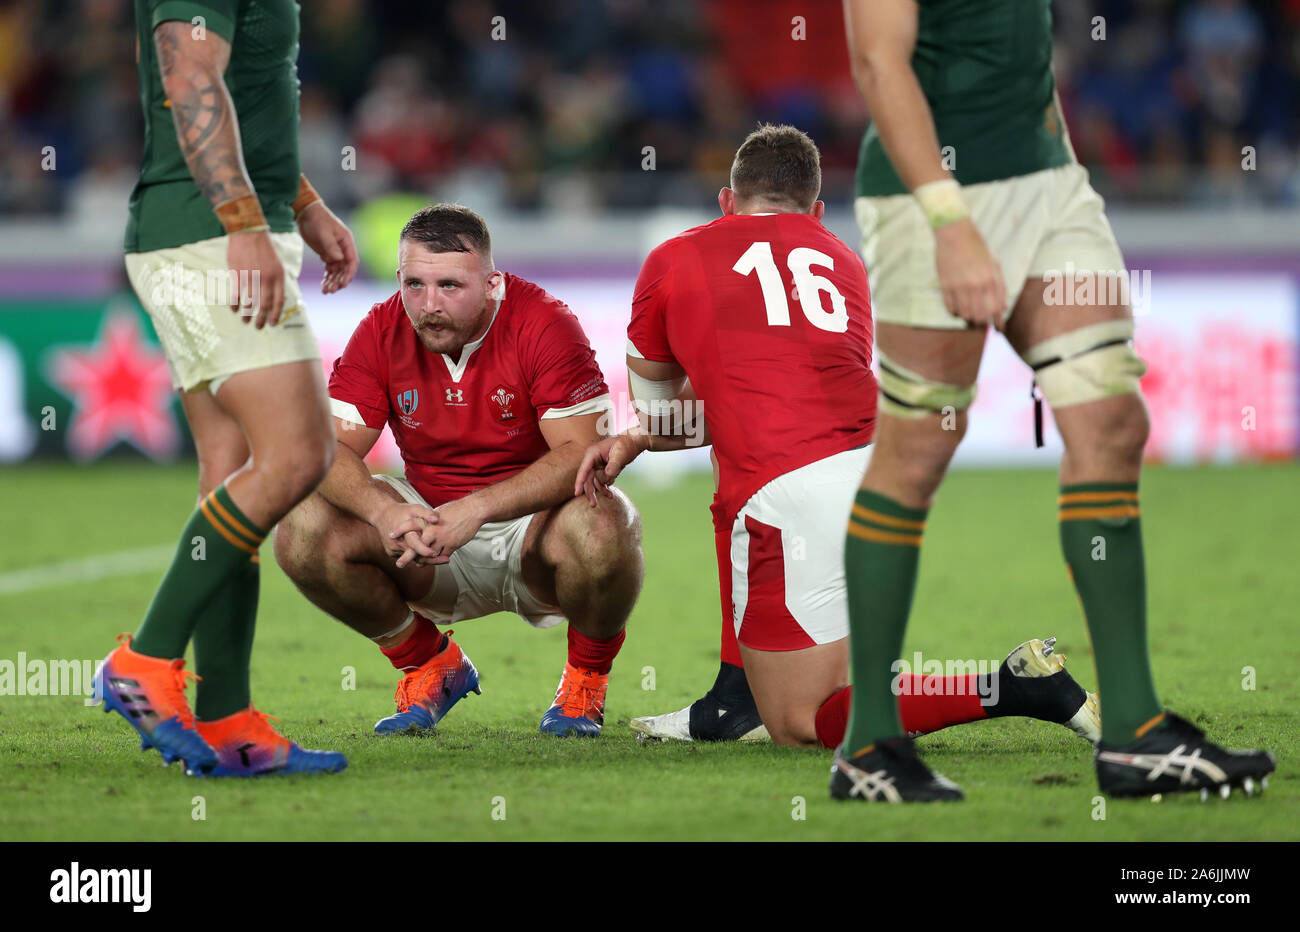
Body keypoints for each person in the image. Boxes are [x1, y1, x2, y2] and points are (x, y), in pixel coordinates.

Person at [831, 0, 1274, 801]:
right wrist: (949, 220)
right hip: (932, 196)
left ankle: (1135, 734)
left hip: (1050, 183)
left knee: (1109, 420)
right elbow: (876, 61)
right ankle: (868, 745)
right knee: (920, 448)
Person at [577, 125, 1098, 750]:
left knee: (802, 721)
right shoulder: (842, 261)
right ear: (818, 211)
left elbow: (668, 419)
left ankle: (1014, 685)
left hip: (789, 493)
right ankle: (733, 698)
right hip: (881, 473)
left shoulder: (673, 257)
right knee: (741, 487)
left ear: (725, 202)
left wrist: (636, 437)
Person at [97, 0, 360, 776]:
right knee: (298, 455)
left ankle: (227, 721)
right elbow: (188, 74)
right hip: (209, 233)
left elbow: (240, 94)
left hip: (209, 227)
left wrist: (300, 203)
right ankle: (142, 664)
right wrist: (243, 219)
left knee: (233, 468)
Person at [274, 204, 644, 738]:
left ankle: (584, 682)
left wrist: (477, 508)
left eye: (450, 285)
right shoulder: (382, 327)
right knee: (303, 522)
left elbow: (582, 456)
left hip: (534, 535)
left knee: (608, 519)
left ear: (492, 283)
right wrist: (382, 511)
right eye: (414, 285)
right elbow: (325, 448)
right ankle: (428, 664)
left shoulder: (544, 323)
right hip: (425, 536)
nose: (429, 305)